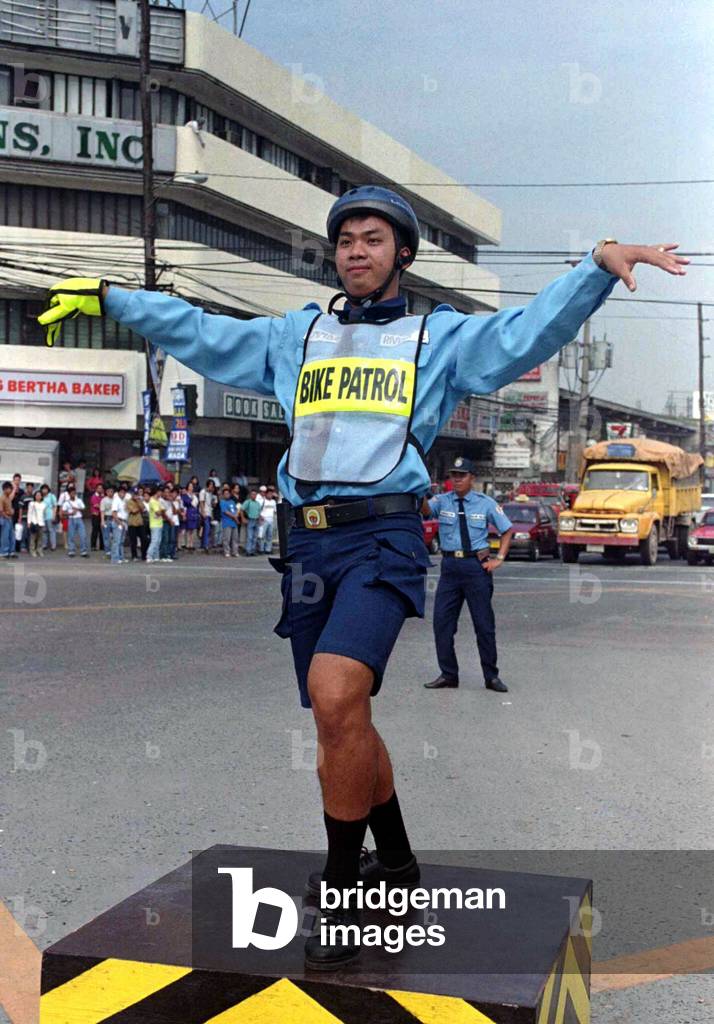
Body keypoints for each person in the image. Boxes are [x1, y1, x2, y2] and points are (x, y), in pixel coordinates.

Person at [38, 187, 688, 970]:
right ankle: (401, 864)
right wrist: (118, 299)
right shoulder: (296, 336)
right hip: (308, 547)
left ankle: (345, 891)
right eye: (345, 239)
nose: (355, 250)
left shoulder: (435, 338)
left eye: (372, 238)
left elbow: (521, 334)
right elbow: (204, 334)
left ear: (401, 255)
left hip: (383, 535)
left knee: (339, 694)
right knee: (337, 717)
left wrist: (594, 270)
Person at [424, 456, 513, 693]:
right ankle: (448, 674)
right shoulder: (441, 501)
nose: (457, 479)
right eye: (454, 475)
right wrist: (420, 492)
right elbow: (424, 511)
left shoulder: (485, 503)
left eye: (462, 475)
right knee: (442, 623)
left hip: (476, 567)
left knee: (483, 625)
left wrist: (499, 559)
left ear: (472, 478)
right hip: (450, 567)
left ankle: (491, 676)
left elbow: (507, 530)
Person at [62, 485, 89, 557]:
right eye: (72, 493)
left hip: (79, 519)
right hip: (71, 519)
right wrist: (70, 513)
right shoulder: (66, 502)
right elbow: (63, 512)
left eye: (74, 493)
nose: (73, 494)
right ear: (69, 494)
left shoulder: (79, 500)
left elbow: (84, 508)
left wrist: (77, 508)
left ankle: (83, 550)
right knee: (71, 535)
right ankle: (71, 550)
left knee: (83, 535)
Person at [219, 484, 240, 557]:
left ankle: (235, 551)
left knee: (235, 538)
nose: (227, 495)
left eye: (228, 493)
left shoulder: (232, 501)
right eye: (225, 494)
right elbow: (225, 511)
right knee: (227, 538)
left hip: (234, 522)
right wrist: (234, 516)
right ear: (223, 495)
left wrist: (236, 515)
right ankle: (227, 551)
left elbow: (236, 509)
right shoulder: (222, 502)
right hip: (227, 522)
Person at [110, 482, 129, 564]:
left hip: (124, 521)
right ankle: (115, 558)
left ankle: (121, 557)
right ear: (118, 493)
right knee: (116, 541)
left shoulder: (125, 501)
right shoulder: (116, 500)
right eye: (121, 492)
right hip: (118, 521)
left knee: (121, 541)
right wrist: (119, 523)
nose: (123, 494)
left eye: (124, 492)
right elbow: (114, 513)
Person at [126, 488, 147, 561]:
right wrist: (139, 507)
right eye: (134, 494)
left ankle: (144, 555)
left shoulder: (139, 501)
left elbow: (143, 509)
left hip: (140, 522)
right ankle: (134, 555)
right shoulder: (129, 502)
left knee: (144, 539)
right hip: (132, 523)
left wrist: (138, 502)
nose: (136, 496)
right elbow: (133, 511)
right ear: (132, 495)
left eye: (137, 494)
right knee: (133, 541)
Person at [241, 487, 262, 556]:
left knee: (255, 537)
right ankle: (248, 551)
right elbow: (242, 509)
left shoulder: (257, 503)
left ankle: (253, 551)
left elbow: (259, 512)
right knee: (250, 536)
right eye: (252, 494)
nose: (254, 496)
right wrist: (243, 518)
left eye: (255, 494)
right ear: (250, 495)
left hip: (256, 520)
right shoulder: (248, 502)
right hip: (250, 520)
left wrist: (259, 519)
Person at [146, 485, 164, 562]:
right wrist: (162, 511)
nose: (161, 493)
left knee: (158, 541)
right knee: (154, 540)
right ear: (157, 492)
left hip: (159, 523)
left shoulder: (158, 501)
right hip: (154, 524)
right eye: (160, 491)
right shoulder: (152, 501)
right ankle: (149, 555)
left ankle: (156, 556)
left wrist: (162, 511)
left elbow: (162, 510)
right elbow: (158, 512)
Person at [199, 479, 217, 553]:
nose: (212, 487)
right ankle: (206, 545)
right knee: (207, 529)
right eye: (211, 485)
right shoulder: (203, 492)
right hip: (205, 512)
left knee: (207, 529)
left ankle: (203, 544)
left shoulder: (211, 494)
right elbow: (201, 502)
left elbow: (212, 506)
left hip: (209, 512)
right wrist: (203, 512)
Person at [27, 490, 47, 557]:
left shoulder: (44, 504)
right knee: (33, 538)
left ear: (41, 496)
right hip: (34, 522)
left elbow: (44, 514)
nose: (38, 496)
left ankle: (39, 550)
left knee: (40, 538)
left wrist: (44, 522)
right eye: (37, 495)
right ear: (34, 496)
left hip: (41, 523)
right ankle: (32, 550)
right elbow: (29, 513)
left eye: (39, 495)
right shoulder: (32, 503)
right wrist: (29, 522)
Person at [182, 481, 200, 551]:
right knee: (188, 529)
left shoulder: (194, 495)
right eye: (189, 486)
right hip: (188, 512)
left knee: (193, 529)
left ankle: (191, 543)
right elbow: (187, 503)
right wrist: (192, 499)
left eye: (192, 486)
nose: (191, 488)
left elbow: (196, 504)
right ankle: (187, 544)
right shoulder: (185, 495)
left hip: (194, 512)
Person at [259, 486, 278, 554]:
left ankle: (268, 549)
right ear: (266, 494)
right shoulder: (262, 501)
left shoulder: (273, 502)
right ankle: (261, 549)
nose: (270, 495)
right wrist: (260, 517)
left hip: (271, 520)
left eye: (271, 494)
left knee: (270, 536)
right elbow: (258, 510)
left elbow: (275, 511)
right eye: (269, 494)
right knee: (262, 535)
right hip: (264, 520)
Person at [40, 484, 58, 551]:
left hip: (50, 516)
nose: (44, 490)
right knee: (44, 531)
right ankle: (44, 545)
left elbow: (55, 506)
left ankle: (53, 546)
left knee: (51, 531)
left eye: (45, 489)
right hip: (43, 517)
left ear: (48, 489)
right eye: (43, 489)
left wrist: (54, 515)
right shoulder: (41, 496)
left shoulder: (51, 496)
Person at [0, 481, 15, 558]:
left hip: (9, 518)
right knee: (4, 536)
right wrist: (6, 516)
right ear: (5, 489)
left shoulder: (8, 498)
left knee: (11, 536)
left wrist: (12, 511)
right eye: (10, 489)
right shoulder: (2, 498)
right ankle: (3, 553)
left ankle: (11, 551)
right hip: (4, 518)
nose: (11, 490)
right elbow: (1, 511)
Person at [99, 485, 114, 557]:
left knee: (115, 536)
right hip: (107, 518)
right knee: (106, 536)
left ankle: (114, 550)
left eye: (112, 491)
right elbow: (102, 511)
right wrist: (102, 521)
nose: (110, 493)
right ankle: (107, 552)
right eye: (109, 491)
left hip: (114, 519)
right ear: (106, 492)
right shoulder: (104, 500)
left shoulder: (115, 499)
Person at [89, 483, 105, 551]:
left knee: (102, 531)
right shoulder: (94, 496)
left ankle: (102, 546)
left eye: (101, 488)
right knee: (95, 531)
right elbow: (96, 505)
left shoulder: (103, 496)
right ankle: (93, 546)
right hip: (95, 515)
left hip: (101, 515)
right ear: (96, 489)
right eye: (99, 488)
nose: (100, 489)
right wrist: (103, 506)